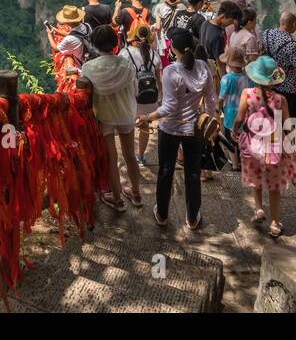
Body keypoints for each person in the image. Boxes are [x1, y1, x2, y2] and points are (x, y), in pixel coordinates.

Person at [137, 27, 212, 230]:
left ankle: (162, 214)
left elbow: (169, 107)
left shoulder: (171, 71)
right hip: (194, 129)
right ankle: (192, 218)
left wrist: (147, 117)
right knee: (193, 173)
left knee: (165, 170)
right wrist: (211, 122)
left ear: (173, 49)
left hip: (170, 129)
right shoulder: (204, 67)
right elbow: (211, 100)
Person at [232, 55, 296, 238]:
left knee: (256, 179)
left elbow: (239, 117)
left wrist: (234, 130)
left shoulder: (248, 94)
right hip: (274, 148)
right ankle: (275, 224)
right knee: (274, 187)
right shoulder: (280, 99)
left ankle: (259, 209)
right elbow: (288, 125)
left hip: (252, 146)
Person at [80, 25, 142, 211]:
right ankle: (136, 193)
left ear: (95, 45)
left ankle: (117, 199)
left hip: (104, 115)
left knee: (111, 158)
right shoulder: (126, 65)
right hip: (125, 113)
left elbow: (85, 95)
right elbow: (135, 90)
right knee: (130, 155)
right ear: (115, 44)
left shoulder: (88, 68)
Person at [123, 23, 162, 167]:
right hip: (149, 100)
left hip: (132, 97)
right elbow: (159, 79)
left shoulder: (125, 53)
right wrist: (160, 99)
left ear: (133, 36)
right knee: (144, 126)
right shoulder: (154, 54)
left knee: (130, 127)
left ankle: (131, 156)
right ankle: (140, 156)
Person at [259, 11, 296, 119]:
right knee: (290, 117)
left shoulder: (267, 34)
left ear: (281, 22)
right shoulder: (291, 44)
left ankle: (278, 135)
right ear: (294, 25)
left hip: (272, 84)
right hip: (289, 89)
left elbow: (261, 53)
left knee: (276, 116)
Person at [53, 5, 96, 87]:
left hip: (83, 69)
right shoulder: (87, 26)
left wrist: (50, 35)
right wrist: (59, 32)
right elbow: (77, 34)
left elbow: (55, 48)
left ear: (67, 22)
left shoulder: (69, 39)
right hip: (93, 61)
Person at [200, 0, 242, 77]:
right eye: (231, 21)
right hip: (213, 72)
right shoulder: (218, 35)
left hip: (202, 68)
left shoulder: (205, 23)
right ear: (222, 16)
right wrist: (224, 79)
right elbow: (220, 63)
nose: (231, 24)